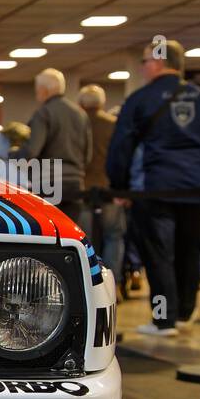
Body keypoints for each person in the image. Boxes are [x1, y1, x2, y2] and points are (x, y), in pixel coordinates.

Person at [106, 39, 200, 336]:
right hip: (199, 191)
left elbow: (121, 146)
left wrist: (120, 186)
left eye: (144, 62)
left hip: (158, 188)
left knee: (158, 253)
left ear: (158, 62)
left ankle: (164, 319)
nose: (142, 68)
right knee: (190, 249)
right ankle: (184, 314)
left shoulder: (142, 99)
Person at [13, 68, 92, 237]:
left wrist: (13, 155)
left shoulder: (44, 112)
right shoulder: (80, 113)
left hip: (48, 184)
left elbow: (32, 151)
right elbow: (87, 154)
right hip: (75, 184)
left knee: (49, 236)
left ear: (43, 90)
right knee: (70, 235)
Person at [78, 84, 127, 279]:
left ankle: (91, 280)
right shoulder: (114, 125)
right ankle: (112, 281)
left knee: (85, 239)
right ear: (102, 102)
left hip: (81, 190)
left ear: (81, 103)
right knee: (113, 235)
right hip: (109, 188)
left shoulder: (77, 123)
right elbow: (122, 158)